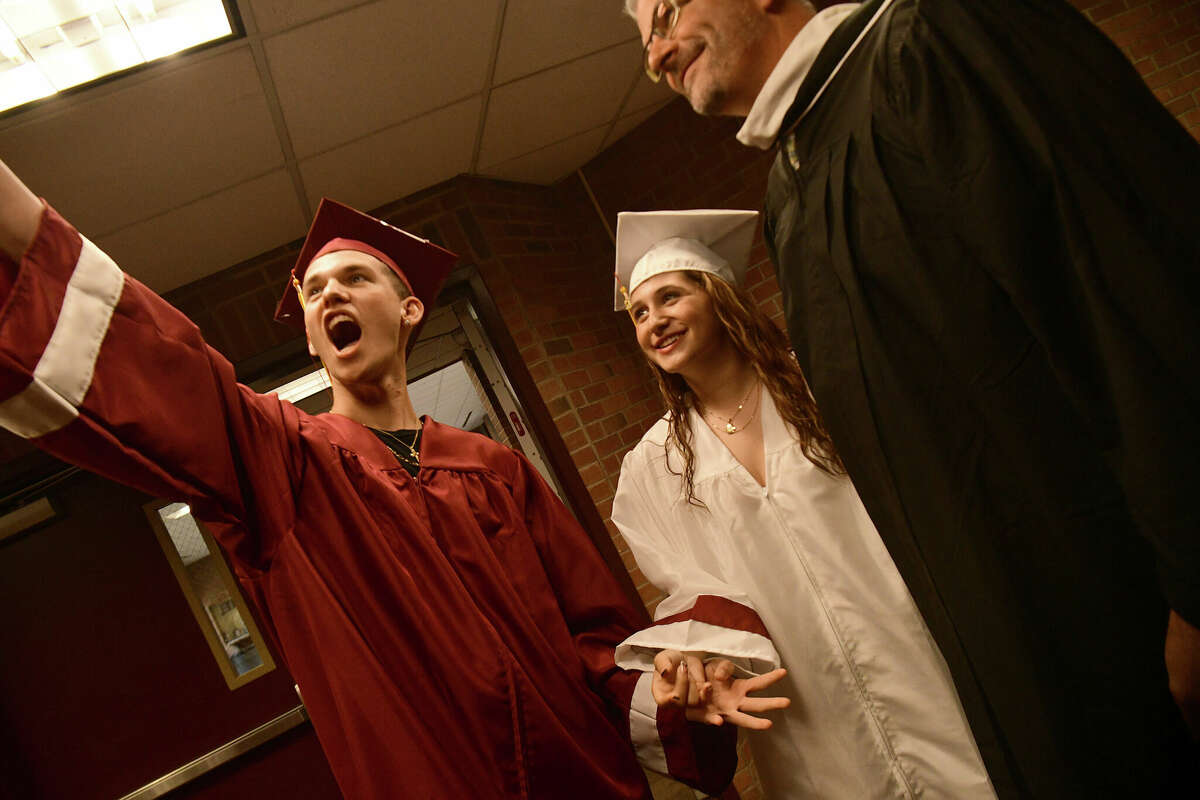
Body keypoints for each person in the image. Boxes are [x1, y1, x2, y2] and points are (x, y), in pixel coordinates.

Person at [0, 160, 768, 799]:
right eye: (314, 291)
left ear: (407, 308)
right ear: (308, 331)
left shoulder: (497, 471)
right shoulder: (283, 466)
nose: (329, 293)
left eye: (355, 277)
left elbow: (596, 639)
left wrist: (669, 690)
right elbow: (164, 370)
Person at [624, 0, 1200, 797]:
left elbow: (1152, 305)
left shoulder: (935, 45)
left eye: (662, 12)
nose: (653, 57)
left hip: (1139, 632)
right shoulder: (793, 197)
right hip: (1030, 682)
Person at [609, 209, 995, 798]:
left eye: (669, 298)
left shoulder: (820, 386)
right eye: (639, 313)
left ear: (718, 297)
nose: (654, 321)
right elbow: (693, 592)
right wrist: (697, 662)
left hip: (912, 645)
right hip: (804, 705)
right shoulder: (654, 467)